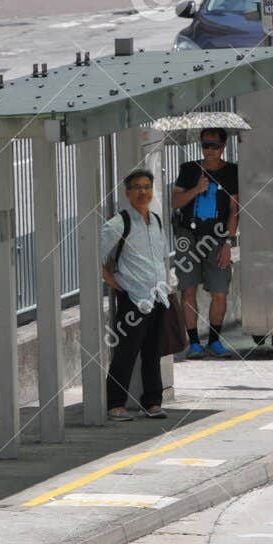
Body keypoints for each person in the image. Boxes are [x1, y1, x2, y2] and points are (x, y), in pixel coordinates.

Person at [100, 168, 172, 422]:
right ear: (127, 193)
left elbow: (160, 256)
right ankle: (115, 404)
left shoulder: (157, 220)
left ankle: (153, 402)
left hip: (158, 297)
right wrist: (115, 282)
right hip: (134, 298)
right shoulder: (119, 223)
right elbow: (96, 256)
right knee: (126, 352)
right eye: (137, 187)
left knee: (153, 352)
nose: (143, 192)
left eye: (147, 187)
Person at [170, 127, 240, 359]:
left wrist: (229, 242)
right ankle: (194, 343)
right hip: (187, 236)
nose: (209, 150)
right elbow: (175, 202)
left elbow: (234, 210)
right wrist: (196, 190)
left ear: (223, 147)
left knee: (219, 291)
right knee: (188, 288)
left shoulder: (232, 172)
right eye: (205, 145)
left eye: (215, 146)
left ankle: (214, 340)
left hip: (217, 237)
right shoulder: (189, 170)